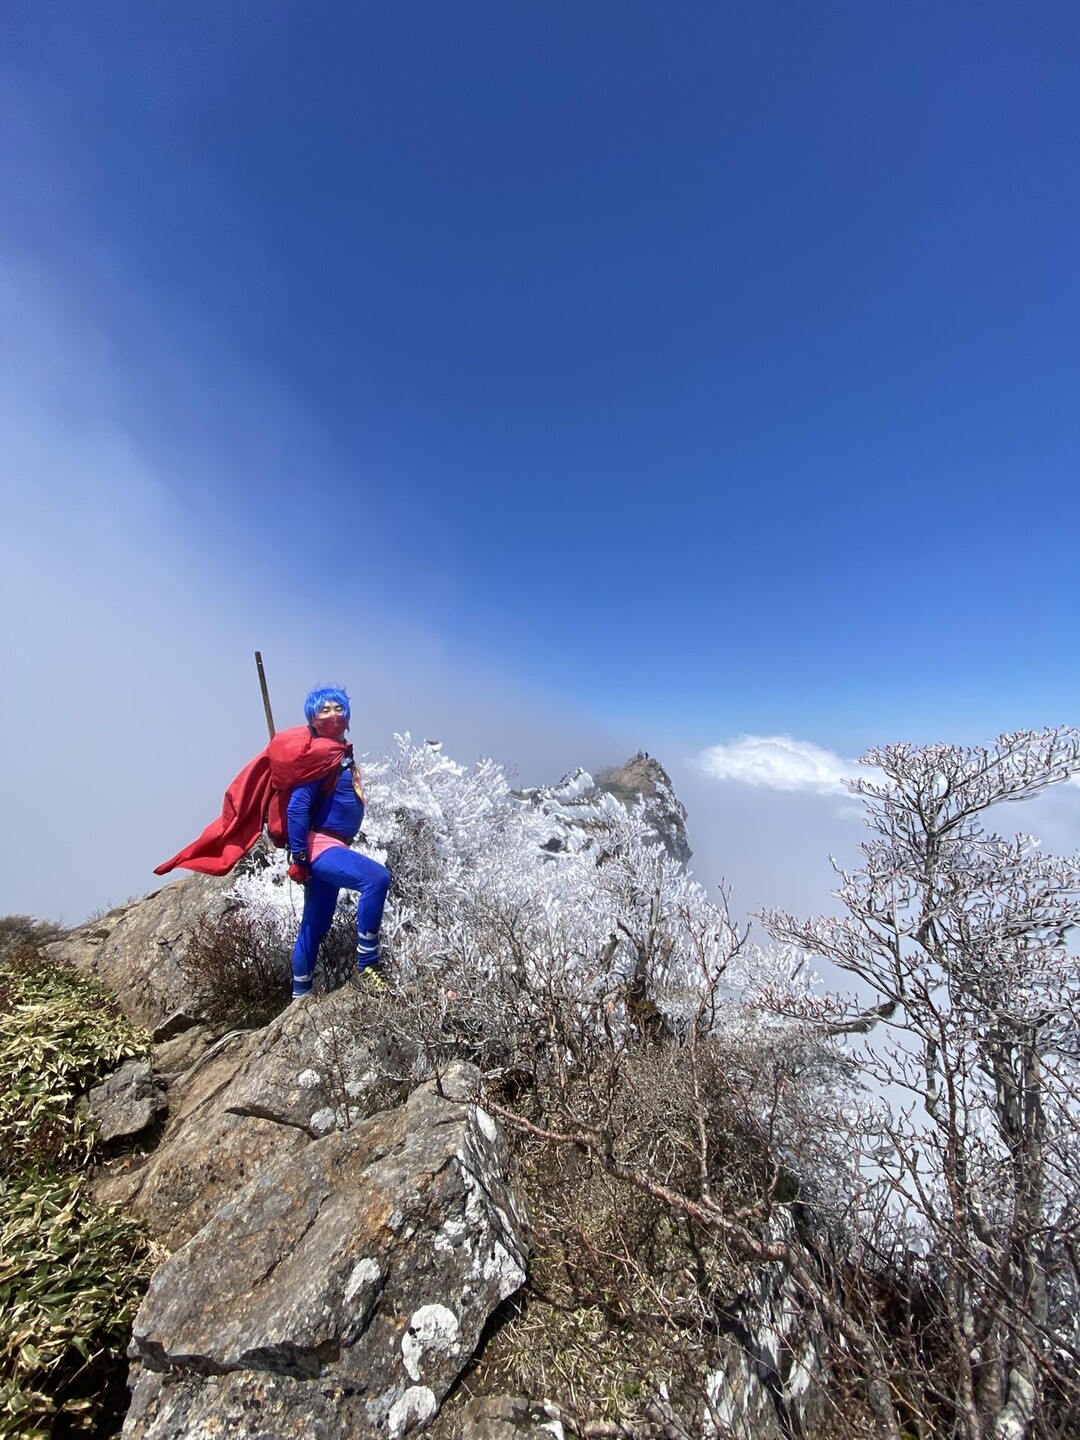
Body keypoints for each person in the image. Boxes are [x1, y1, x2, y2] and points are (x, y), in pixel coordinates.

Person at [286, 686, 392, 999]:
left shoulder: (338, 754)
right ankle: (368, 967)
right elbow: (297, 806)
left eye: (337, 708)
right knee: (376, 878)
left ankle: (300, 994)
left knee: (315, 923)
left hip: (330, 846)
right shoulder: (321, 757)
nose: (333, 714)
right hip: (321, 846)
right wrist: (299, 857)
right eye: (324, 710)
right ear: (313, 721)